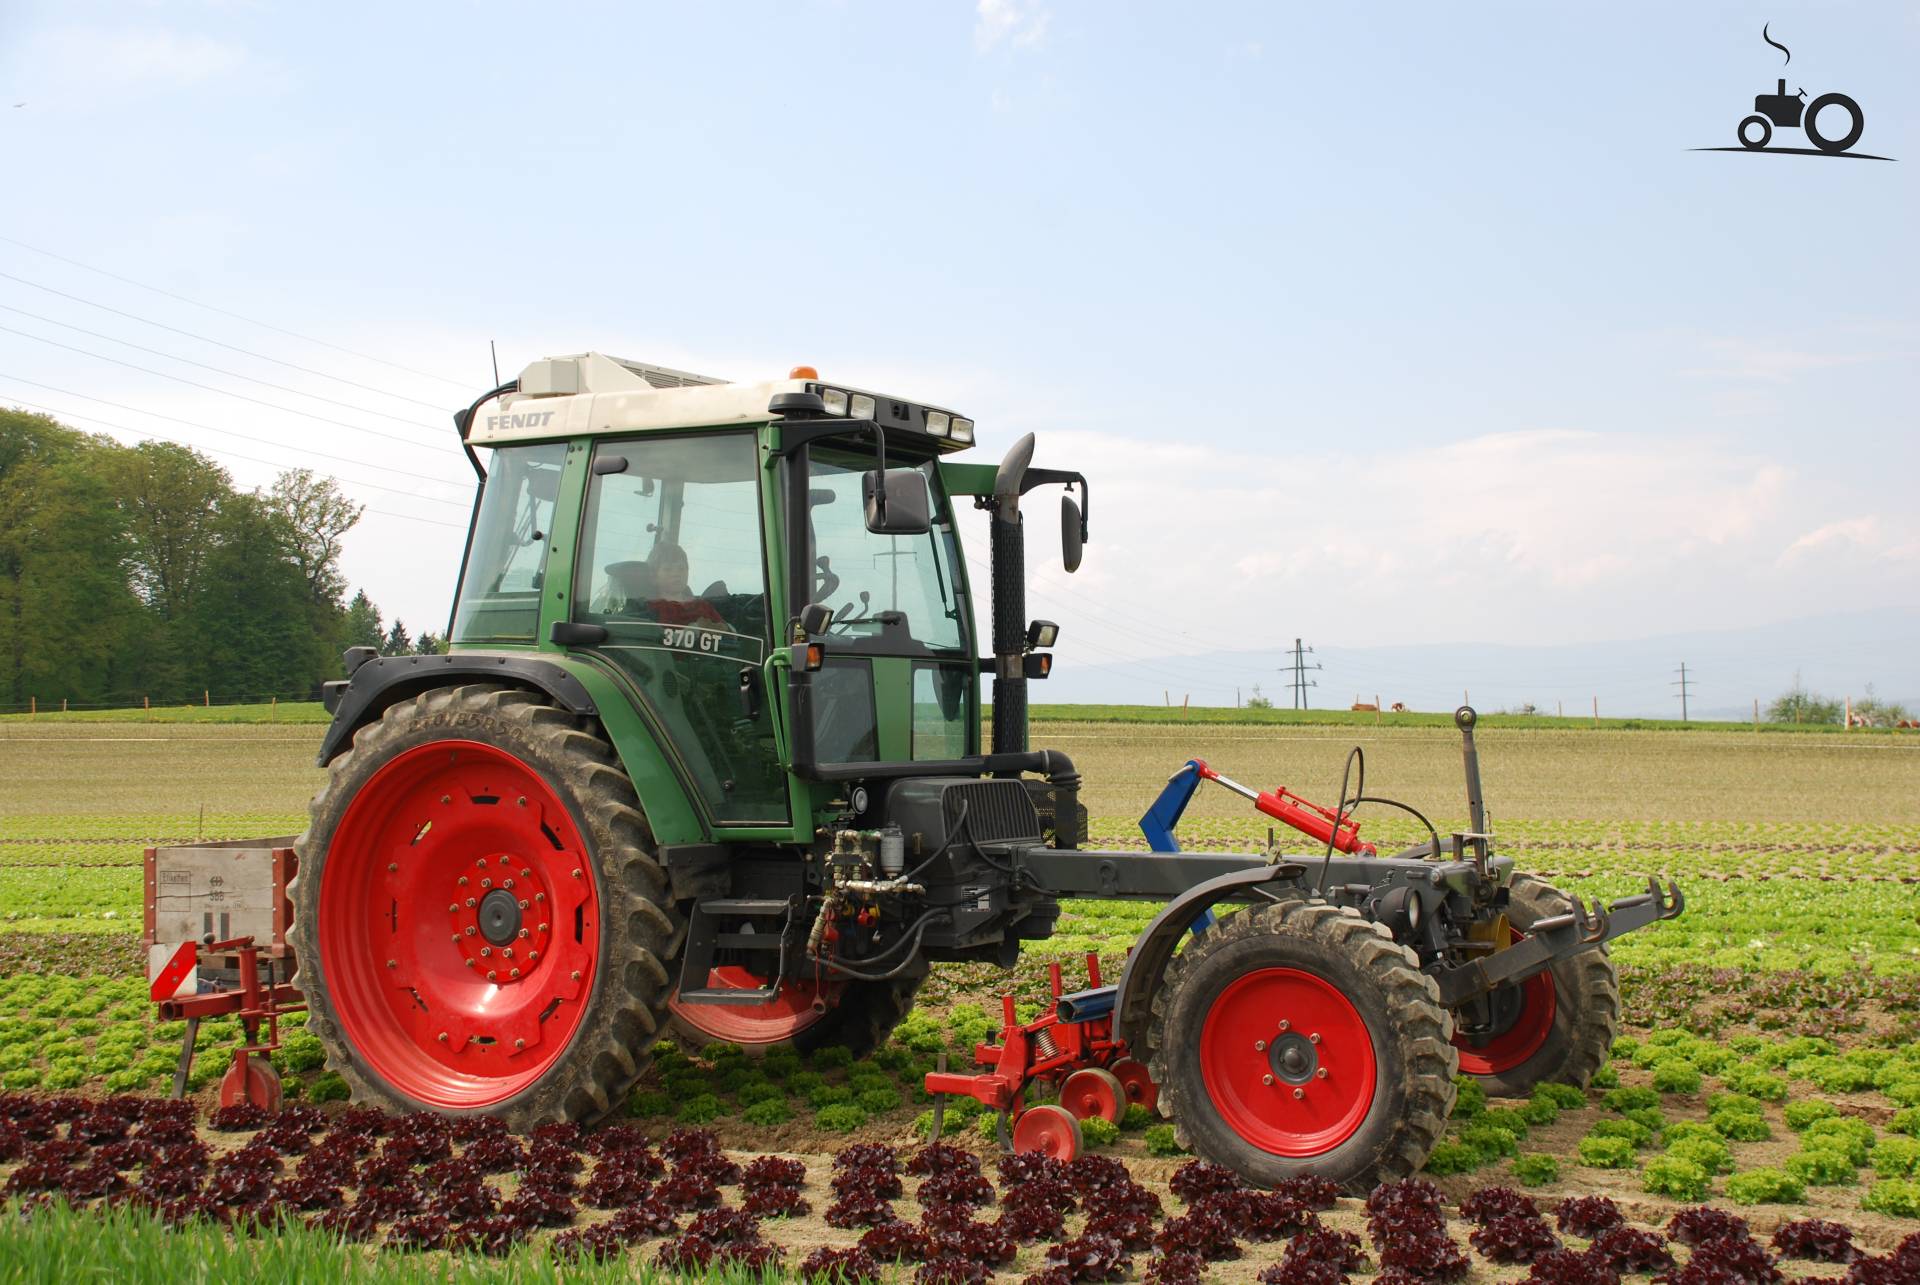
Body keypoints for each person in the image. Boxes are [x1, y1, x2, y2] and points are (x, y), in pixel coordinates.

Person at [644, 543, 727, 628]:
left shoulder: (702, 607)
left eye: (681, 568)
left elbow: (729, 635)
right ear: (654, 576)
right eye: (668, 569)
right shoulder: (648, 607)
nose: (676, 574)